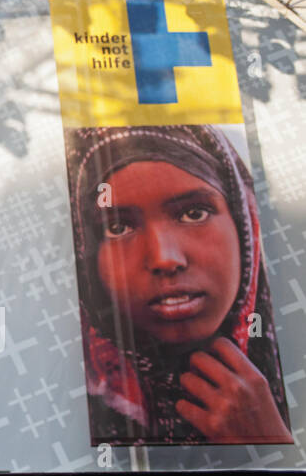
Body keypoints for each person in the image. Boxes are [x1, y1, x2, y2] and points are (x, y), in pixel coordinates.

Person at [68, 125, 291, 444]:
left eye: (194, 213)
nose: (165, 259)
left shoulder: (296, 350)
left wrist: (269, 441)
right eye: (117, 227)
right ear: (86, 255)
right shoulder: (61, 411)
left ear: (244, 225)